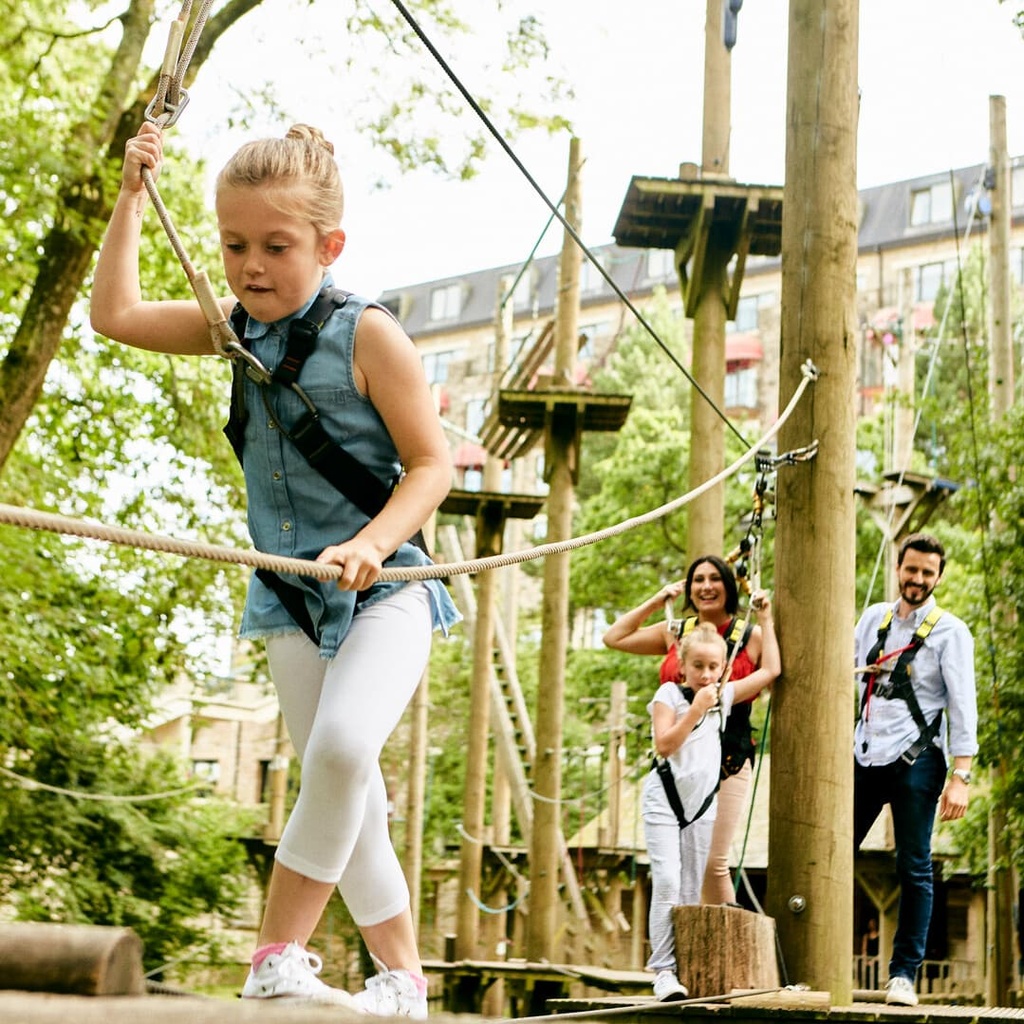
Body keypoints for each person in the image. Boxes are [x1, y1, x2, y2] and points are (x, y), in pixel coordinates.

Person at [91, 121, 460, 1016]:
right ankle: (404, 981)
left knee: (341, 751)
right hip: (289, 599)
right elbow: (115, 316)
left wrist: (372, 545)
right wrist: (132, 196)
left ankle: (274, 954)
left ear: (330, 246)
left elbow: (431, 466)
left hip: (387, 591)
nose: (250, 266)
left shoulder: (369, 335)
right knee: (347, 793)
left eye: (276, 246)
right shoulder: (232, 330)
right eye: (233, 245)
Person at [603, 555, 775, 904]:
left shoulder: (750, 635)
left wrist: (766, 619)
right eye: (698, 580)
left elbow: (772, 670)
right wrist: (656, 601)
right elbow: (614, 637)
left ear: (729, 587)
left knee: (712, 862)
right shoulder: (677, 632)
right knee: (678, 865)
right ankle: (683, 934)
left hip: (727, 755)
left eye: (715, 579)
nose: (706, 587)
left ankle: (724, 933)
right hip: (679, 755)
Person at [853, 533, 977, 1008]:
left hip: (917, 757)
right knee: (832, 851)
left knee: (914, 865)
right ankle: (809, 959)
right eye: (911, 570)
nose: (918, 579)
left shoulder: (951, 632)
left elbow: (962, 706)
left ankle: (903, 974)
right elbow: (845, 670)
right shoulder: (873, 619)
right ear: (898, 568)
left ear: (938, 577)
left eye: (928, 572)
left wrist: (961, 776)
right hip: (865, 752)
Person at [641, 600, 779, 1000]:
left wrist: (765, 619)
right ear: (682, 666)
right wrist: (696, 710)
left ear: (723, 669)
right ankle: (663, 970)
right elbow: (665, 745)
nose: (705, 674)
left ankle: (684, 969)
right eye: (697, 666)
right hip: (665, 799)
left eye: (713, 667)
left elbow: (771, 670)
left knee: (689, 889)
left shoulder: (725, 696)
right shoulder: (669, 694)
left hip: (701, 805)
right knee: (667, 881)